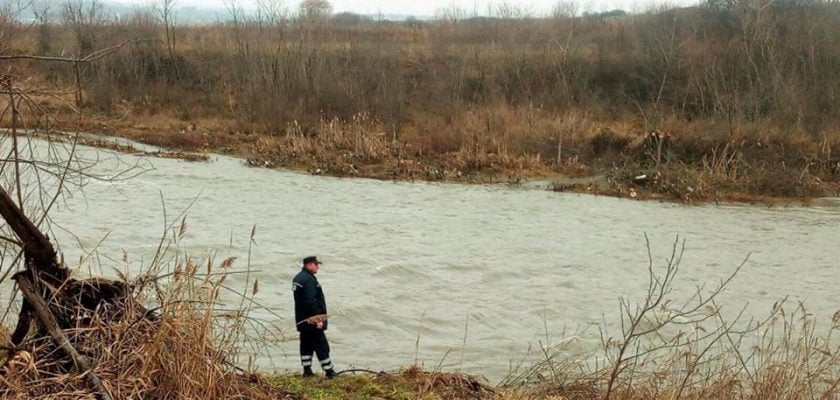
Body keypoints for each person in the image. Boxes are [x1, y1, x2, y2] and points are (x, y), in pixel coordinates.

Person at [292, 255, 337, 378]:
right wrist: (318, 319)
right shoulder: (309, 280)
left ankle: (307, 370)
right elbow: (311, 300)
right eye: (316, 264)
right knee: (321, 344)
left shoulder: (298, 278)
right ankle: (329, 372)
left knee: (306, 344)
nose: (318, 267)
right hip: (312, 321)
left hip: (302, 319)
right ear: (309, 265)